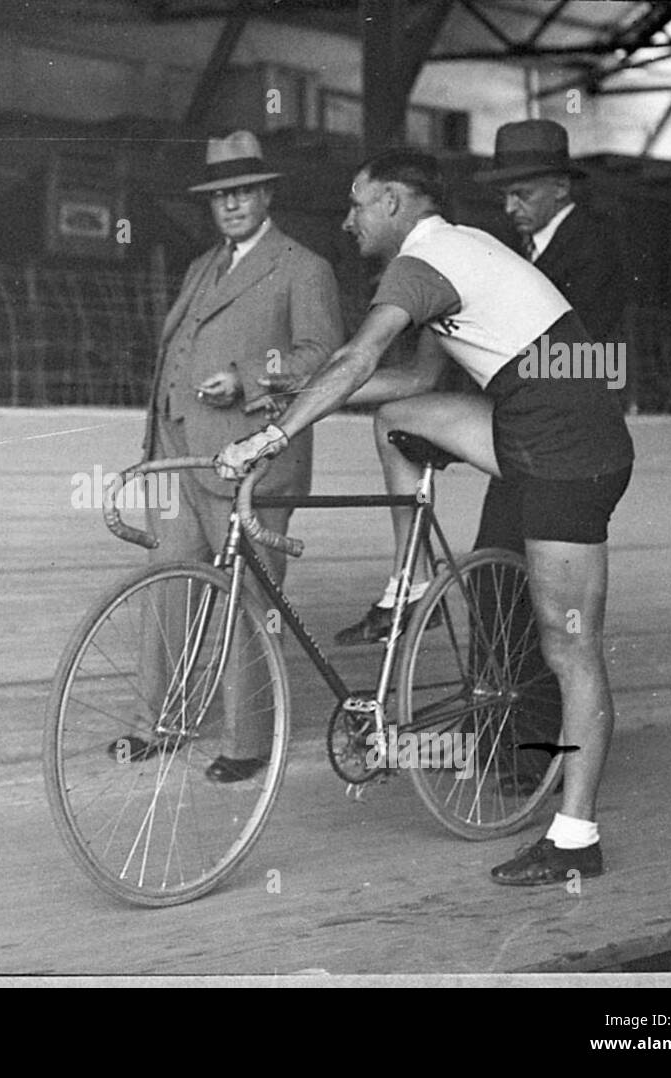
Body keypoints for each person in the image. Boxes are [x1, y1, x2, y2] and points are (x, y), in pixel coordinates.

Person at [216, 150, 633, 884]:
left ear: (398, 203)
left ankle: (577, 838)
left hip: (573, 450)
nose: (346, 220)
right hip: (530, 425)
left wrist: (272, 437)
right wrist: (293, 401)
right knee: (401, 420)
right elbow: (407, 380)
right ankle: (413, 587)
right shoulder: (456, 251)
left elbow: (357, 356)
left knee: (569, 647)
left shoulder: (421, 266)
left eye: (358, 204)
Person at [336, 119, 625, 648]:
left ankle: (527, 720)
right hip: (514, 426)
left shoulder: (596, 249)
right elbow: (437, 363)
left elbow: (601, 362)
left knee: (533, 601)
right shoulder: (498, 247)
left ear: (561, 186)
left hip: (557, 436)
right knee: (495, 584)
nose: (511, 206)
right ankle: (497, 718)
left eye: (523, 192)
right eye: (504, 194)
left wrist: (507, 376)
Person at [118, 130, 344, 783]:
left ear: (267, 193)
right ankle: (155, 723)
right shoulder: (201, 266)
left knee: (250, 595)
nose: (231, 204)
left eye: (243, 191)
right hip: (182, 455)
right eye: (220, 195)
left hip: (253, 461)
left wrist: (247, 378)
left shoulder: (303, 267)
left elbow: (322, 359)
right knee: (167, 587)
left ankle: (247, 742)